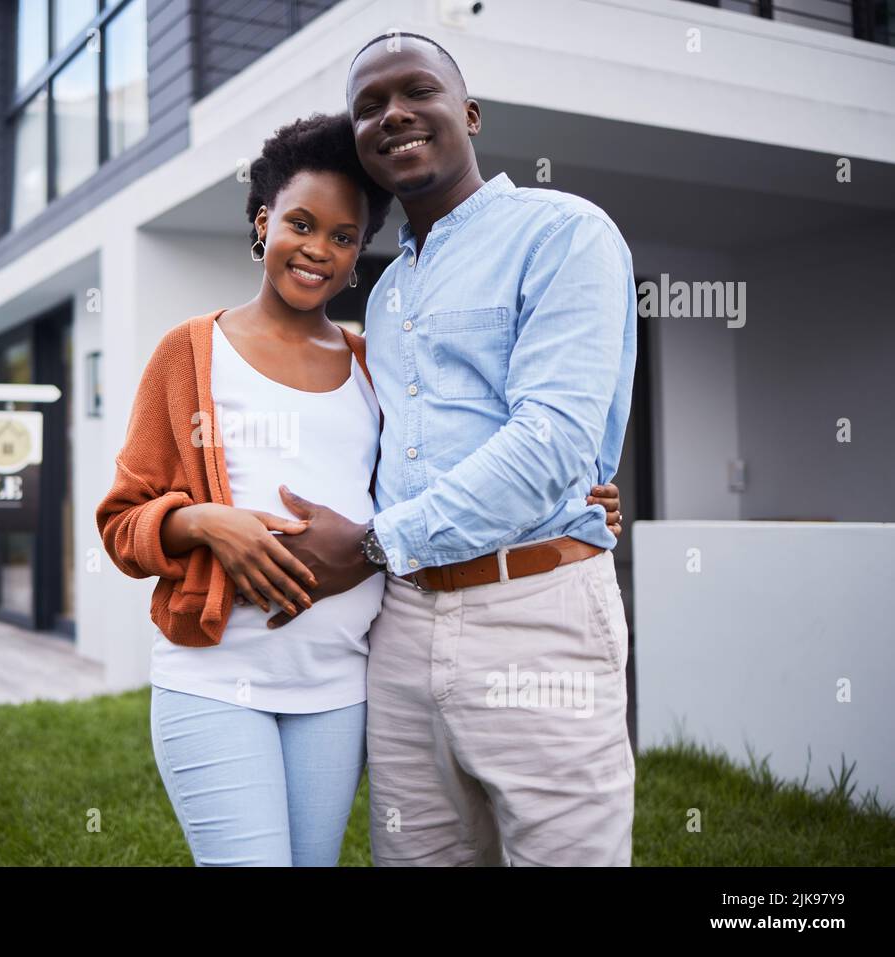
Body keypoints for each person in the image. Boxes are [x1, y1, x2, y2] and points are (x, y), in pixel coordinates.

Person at [96, 112, 623, 866]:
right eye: (300, 224)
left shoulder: (372, 362)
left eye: (343, 238)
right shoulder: (190, 352)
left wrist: (578, 498)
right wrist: (207, 522)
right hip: (217, 678)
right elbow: (123, 520)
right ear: (261, 222)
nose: (317, 250)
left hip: (341, 687)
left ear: (358, 256)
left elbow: (431, 469)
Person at [260, 31, 639, 866]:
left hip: (534, 610)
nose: (392, 113)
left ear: (467, 113)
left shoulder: (564, 232)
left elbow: (551, 443)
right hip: (400, 630)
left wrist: (368, 544)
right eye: (368, 106)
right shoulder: (387, 290)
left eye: (415, 91)